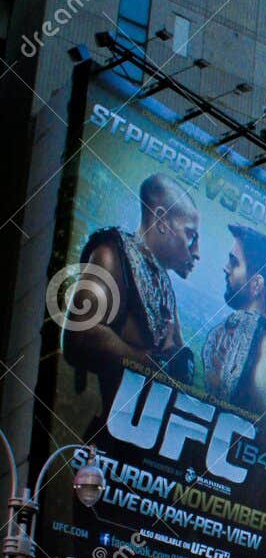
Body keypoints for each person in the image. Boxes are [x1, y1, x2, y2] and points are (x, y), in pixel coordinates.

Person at [62, 173, 200, 424]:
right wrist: (153, 363)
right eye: (190, 235)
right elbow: (80, 336)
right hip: (110, 430)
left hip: (146, 433)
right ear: (161, 221)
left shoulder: (164, 285)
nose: (196, 251)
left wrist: (175, 361)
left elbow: (177, 361)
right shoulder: (112, 254)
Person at [202, 224, 266, 507]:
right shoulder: (242, 336)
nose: (225, 269)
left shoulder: (264, 348)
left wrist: (237, 516)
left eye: (234, 263)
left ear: (256, 285)